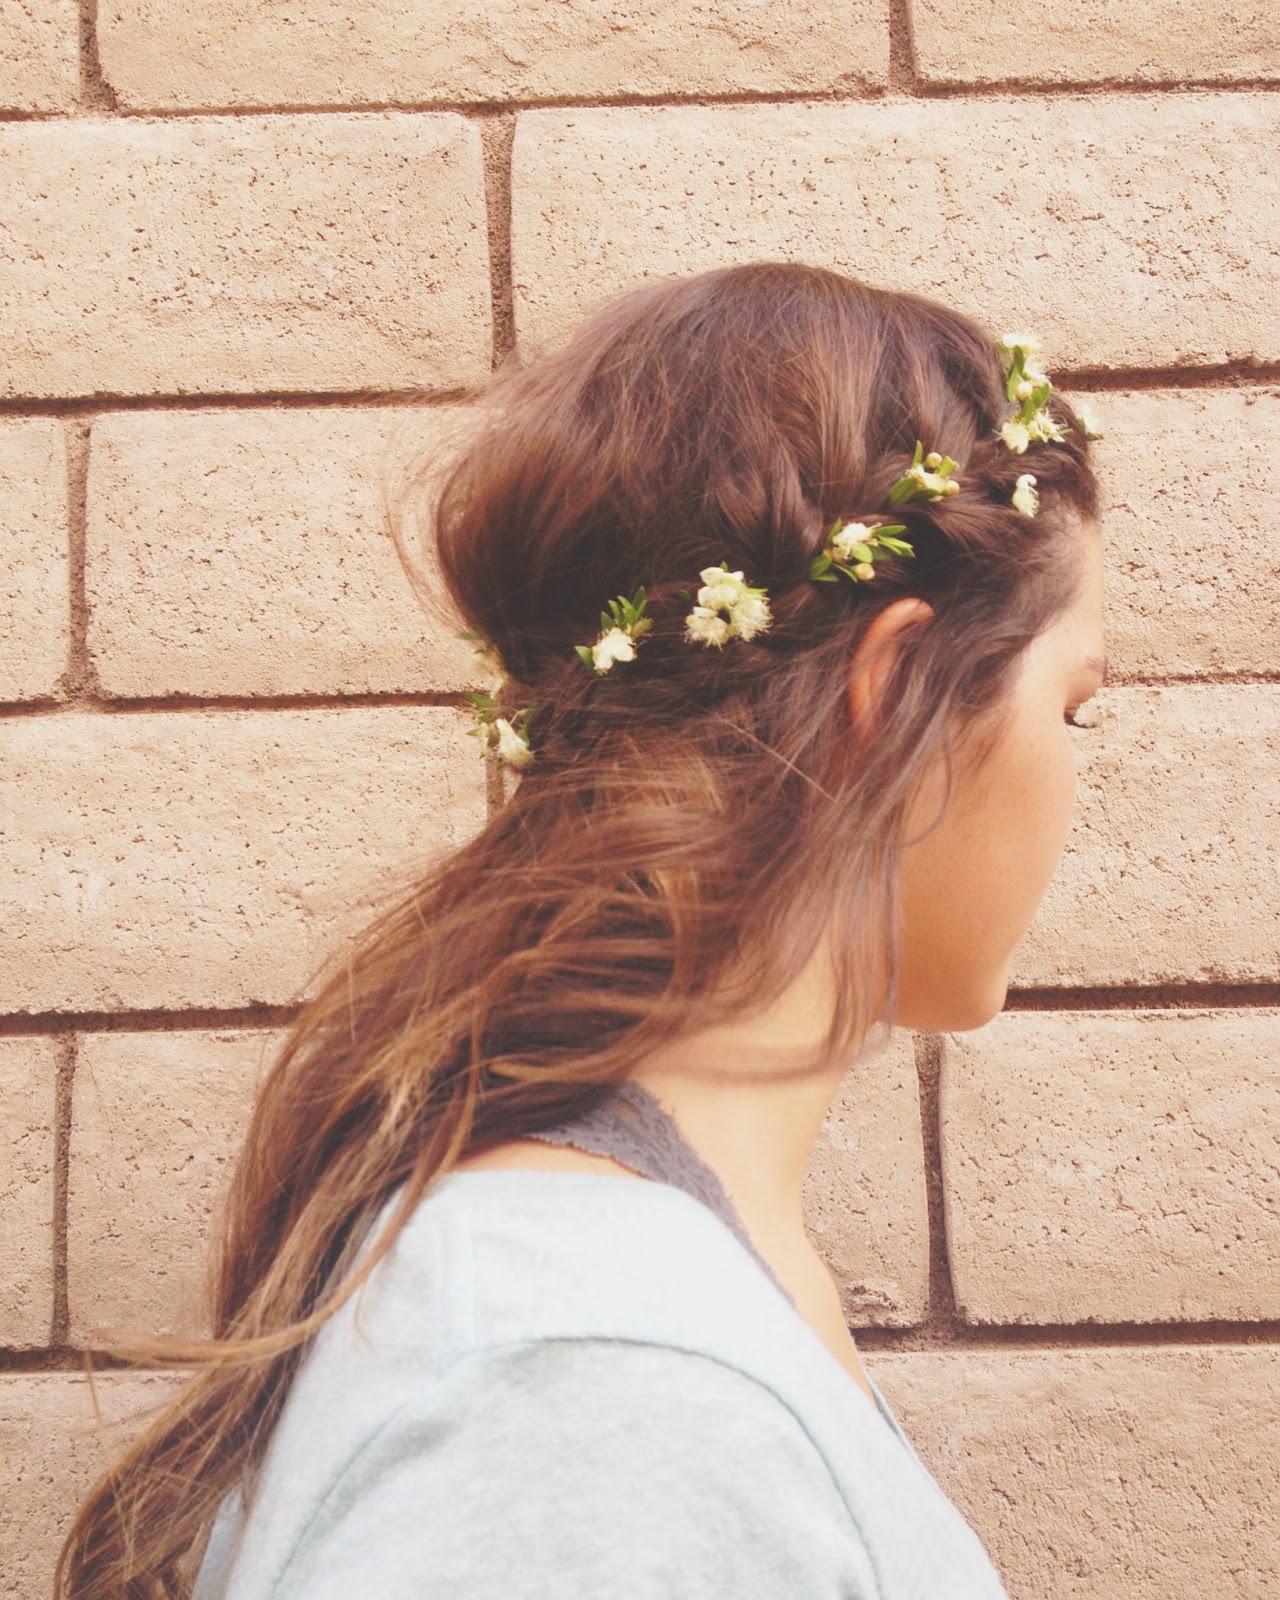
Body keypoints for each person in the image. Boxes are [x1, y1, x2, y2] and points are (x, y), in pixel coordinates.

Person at [57, 261, 1106, 1598]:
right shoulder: (600, 1381)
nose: (1075, 776)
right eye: (1073, 709)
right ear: (891, 683)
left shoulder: (635, 1305)